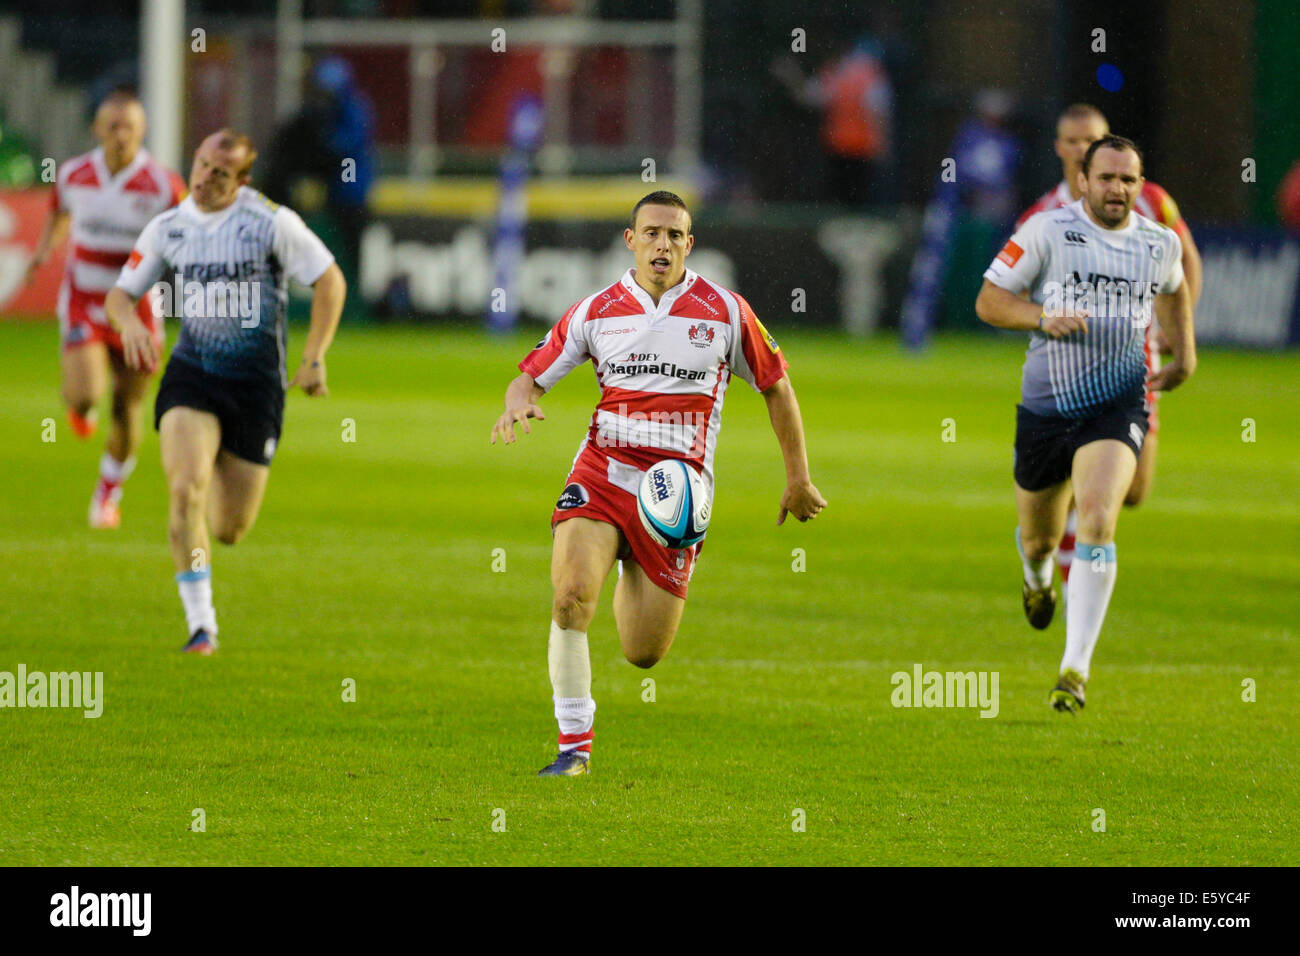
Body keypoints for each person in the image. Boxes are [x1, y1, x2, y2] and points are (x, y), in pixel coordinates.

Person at [490, 190, 827, 774]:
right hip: (602, 470)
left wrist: (798, 478)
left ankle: (628, 558)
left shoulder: (725, 310)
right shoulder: (595, 311)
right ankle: (573, 748)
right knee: (570, 595)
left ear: (689, 245)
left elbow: (776, 387)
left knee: (643, 653)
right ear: (631, 240)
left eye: (675, 234)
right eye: (651, 233)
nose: (662, 244)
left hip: (677, 491)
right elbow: (530, 376)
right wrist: (517, 403)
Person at [975, 135, 1196, 712]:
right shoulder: (1047, 230)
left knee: (1098, 518)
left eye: (1128, 179)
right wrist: (1041, 316)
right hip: (1047, 409)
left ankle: (1074, 669)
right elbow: (990, 299)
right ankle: (1038, 579)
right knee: (1040, 537)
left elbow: (1174, 291)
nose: (1117, 189)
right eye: (1106, 178)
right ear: (1084, 181)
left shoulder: (1158, 243)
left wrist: (1185, 355)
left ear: (1139, 185)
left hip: (1117, 406)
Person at [105, 129, 346, 655]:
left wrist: (313, 357)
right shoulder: (169, 227)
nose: (206, 179)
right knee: (185, 487)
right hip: (192, 375)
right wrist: (131, 324)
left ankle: (216, 467)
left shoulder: (270, 223)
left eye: (220, 172)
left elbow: (330, 280)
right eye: (202, 164)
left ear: (242, 181)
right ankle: (201, 626)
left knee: (229, 528)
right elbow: (120, 297)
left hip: (257, 389)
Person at [1016, 105, 1203, 583]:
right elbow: (1010, 291)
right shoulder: (1041, 215)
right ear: (1061, 148)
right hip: (1067, 369)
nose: (1082, 148)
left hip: (1136, 360)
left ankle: (1061, 529)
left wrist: (1177, 332)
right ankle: (1065, 565)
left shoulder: (1150, 201)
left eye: (1092, 140)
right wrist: (1044, 321)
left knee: (1135, 491)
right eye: (1074, 142)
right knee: (1092, 487)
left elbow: (1183, 266)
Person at [24, 89, 185, 528]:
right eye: (111, 125)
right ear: (96, 128)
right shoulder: (74, 174)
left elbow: (188, 234)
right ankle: (81, 407)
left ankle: (107, 495)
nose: (120, 134)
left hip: (137, 309)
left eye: (128, 126)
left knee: (129, 408)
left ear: (142, 130)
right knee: (84, 393)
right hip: (85, 299)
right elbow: (58, 214)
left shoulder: (162, 184)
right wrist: (42, 252)